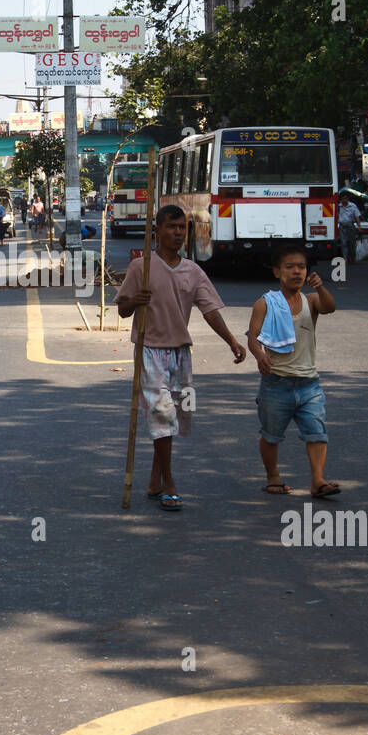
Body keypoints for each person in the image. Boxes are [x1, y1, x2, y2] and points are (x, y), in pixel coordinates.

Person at [115, 204, 246, 511]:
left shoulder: (193, 270)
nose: (177, 233)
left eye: (182, 228)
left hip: (180, 353)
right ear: (157, 231)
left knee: (176, 418)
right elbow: (122, 309)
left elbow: (210, 311)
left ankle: (154, 480)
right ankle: (169, 483)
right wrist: (136, 300)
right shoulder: (141, 267)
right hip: (150, 350)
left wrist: (232, 341)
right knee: (162, 415)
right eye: (171, 227)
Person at [247, 243, 338, 498]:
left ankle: (318, 480)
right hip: (276, 384)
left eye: (301, 267)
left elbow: (330, 307)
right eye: (290, 267)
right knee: (271, 436)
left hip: (309, 383)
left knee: (317, 432)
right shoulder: (265, 303)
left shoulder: (312, 301)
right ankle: (273, 475)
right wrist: (259, 355)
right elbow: (252, 337)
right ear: (277, 272)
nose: (297, 272)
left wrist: (320, 286)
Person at [337, 192, 362, 265]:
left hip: (350, 225)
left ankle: (352, 257)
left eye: (345, 198)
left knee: (351, 243)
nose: (344, 200)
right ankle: (345, 258)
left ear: (348, 199)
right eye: (342, 199)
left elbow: (357, 216)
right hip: (342, 226)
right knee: (343, 243)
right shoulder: (339, 206)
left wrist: (359, 226)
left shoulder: (353, 206)